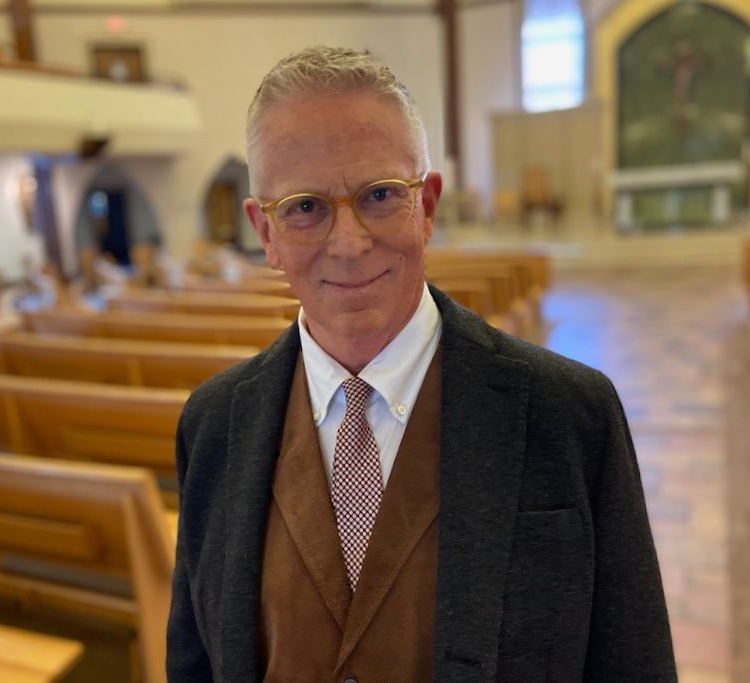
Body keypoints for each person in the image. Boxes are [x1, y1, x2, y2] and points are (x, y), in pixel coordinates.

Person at [168, 46, 676, 682]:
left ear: (427, 205)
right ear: (264, 233)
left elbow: (635, 664)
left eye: (380, 195)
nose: (349, 242)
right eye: (305, 207)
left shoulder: (569, 414)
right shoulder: (213, 424)